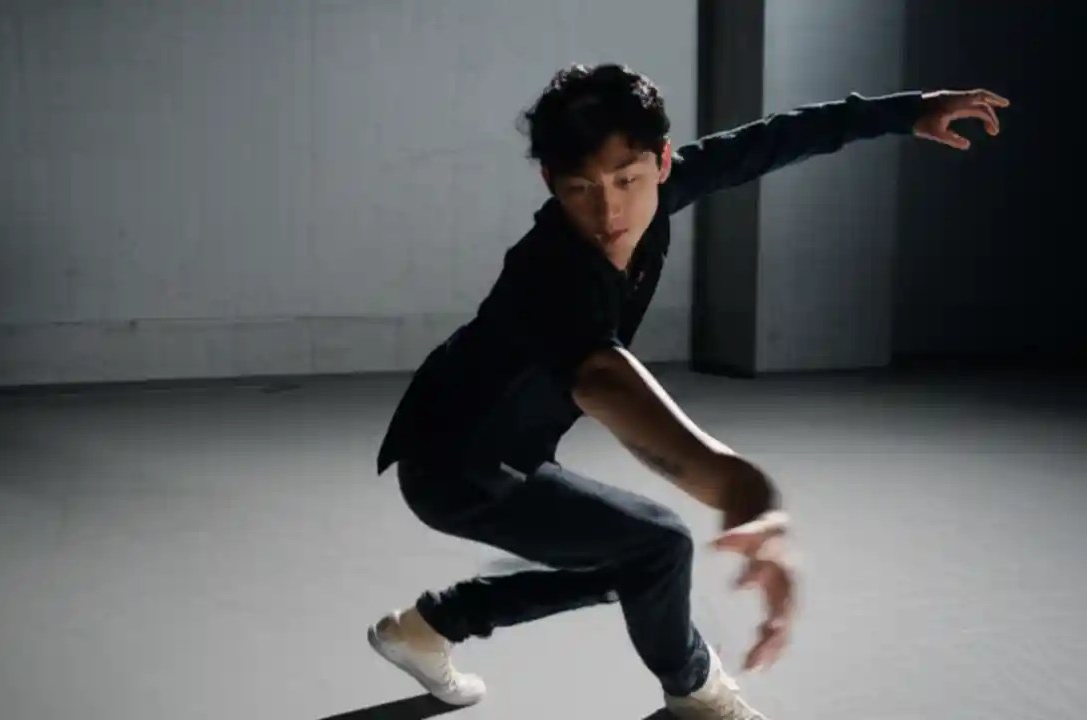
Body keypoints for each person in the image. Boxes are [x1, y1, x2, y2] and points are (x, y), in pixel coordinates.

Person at [365, 62, 1007, 719]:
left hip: (509, 442)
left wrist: (908, 110)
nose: (610, 210)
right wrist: (739, 490)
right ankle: (698, 695)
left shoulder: (663, 189)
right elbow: (604, 379)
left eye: (627, 179)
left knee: (633, 562)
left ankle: (424, 629)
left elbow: (774, 139)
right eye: (580, 188)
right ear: (549, 183)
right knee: (658, 545)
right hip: (454, 461)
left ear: (663, 161)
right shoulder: (550, 274)